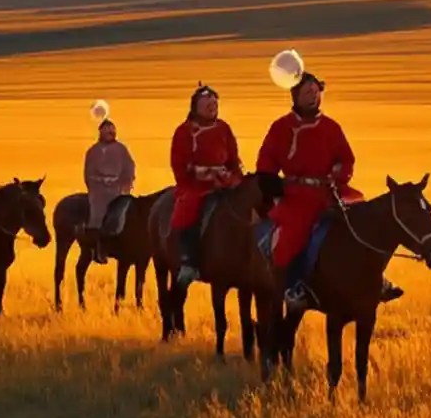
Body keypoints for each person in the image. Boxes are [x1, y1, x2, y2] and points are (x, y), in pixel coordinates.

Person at [257, 71, 405, 310]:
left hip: (331, 191)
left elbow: (347, 159)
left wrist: (337, 173)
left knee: (363, 220)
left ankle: (375, 280)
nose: (313, 96)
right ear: (295, 95)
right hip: (298, 195)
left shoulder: (331, 127)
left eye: (316, 92)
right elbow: (266, 162)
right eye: (307, 92)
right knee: (293, 235)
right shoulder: (281, 128)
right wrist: (271, 185)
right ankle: (294, 286)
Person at [169, 83, 243, 288]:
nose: (212, 107)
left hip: (224, 182)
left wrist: (232, 174)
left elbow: (233, 158)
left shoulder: (223, 128)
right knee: (188, 208)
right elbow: (179, 162)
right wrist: (200, 172)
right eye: (207, 104)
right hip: (196, 185)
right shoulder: (185, 131)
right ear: (196, 107)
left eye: (214, 104)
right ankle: (188, 261)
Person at [82, 118, 136, 264]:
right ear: (101, 132)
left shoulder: (122, 149)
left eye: (112, 130)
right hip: (99, 192)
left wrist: (123, 183)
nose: (110, 133)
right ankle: (97, 249)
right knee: (97, 216)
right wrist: (100, 182)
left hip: (117, 189)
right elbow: (88, 173)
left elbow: (129, 168)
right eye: (107, 130)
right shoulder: (92, 151)